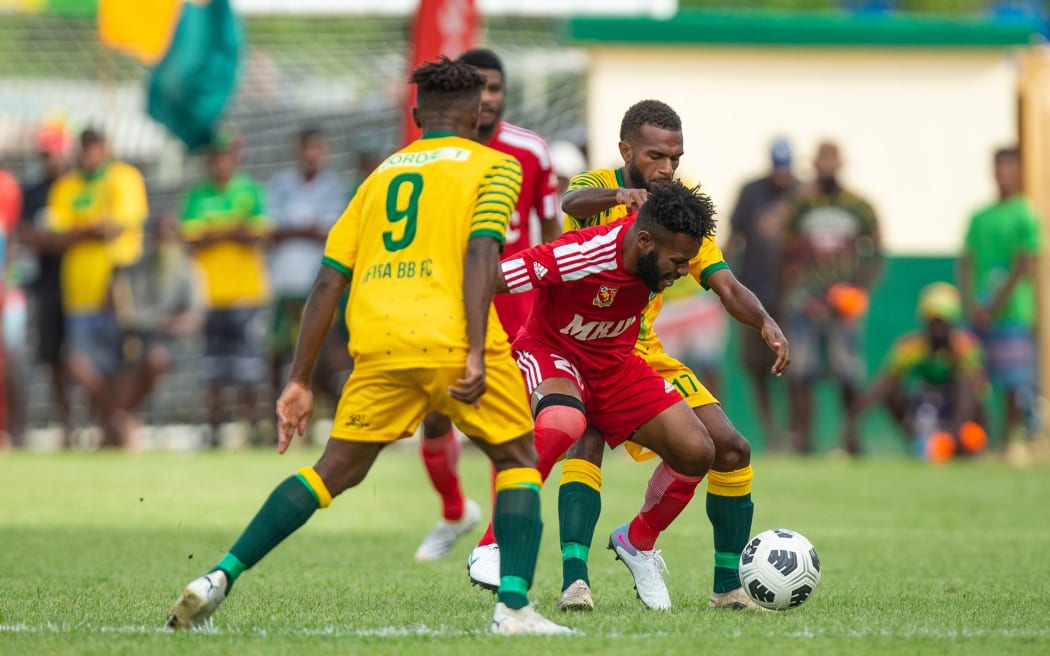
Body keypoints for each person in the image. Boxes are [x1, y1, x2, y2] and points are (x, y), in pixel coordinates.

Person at [166, 57, 572, 635]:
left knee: (333, 469)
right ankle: (513, 609)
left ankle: (219, 575)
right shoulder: (496, 166)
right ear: (478, 112)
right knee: (518, 460)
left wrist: (299, 379)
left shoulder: (378, 176)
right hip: (452, 340)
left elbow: (329, 277)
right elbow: (484, 251)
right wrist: (479, 352)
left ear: (415, 114)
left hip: (379, 345)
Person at [469, 100, 790, 613]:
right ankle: (566, 574)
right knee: (576, 427)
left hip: (632, 350)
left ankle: (703, 574)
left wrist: (766, 322)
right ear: (627, 151)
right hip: (565, 344)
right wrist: (622, 194)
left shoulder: (679, 218)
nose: (666, 169)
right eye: (656, 157)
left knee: (724, 448)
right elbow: (569, 206)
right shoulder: (599, 196)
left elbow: (725, 284)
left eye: (675, 159)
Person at [487, 180, 724, 610]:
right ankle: (494, 542)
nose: (683, 271)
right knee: (566, 424)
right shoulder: (583, 253)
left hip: (614, 365)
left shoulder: (657, 252)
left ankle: (638, 541)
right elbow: (493, 278)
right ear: (645, 240)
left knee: (697, 449)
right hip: (552, 352)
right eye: (677, 261)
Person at [413, 48, 562, 563]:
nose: (489, 98)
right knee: (434, 417)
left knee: (511, 426)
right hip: (447, 299)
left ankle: (495, 544)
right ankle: (455, 511)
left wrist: (552, 297)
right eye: (480, 88)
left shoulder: (531, 152)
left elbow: (550, 232)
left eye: (496, 88)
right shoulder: (436, 153)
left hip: (514, 303)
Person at [43, 128, 149, 448]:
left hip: (118, 290)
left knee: (121, 364)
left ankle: (112, 428)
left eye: (95, 147)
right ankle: (113, 420)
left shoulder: (124, 177)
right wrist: (93, 227)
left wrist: (84, 229)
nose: (90, 154)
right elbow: (56, 235)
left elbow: (121, 226)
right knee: (82, 363)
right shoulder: (67, 185)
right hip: (79, 293)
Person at [782, 140, 882, 456]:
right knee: (801, 373)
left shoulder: (859, 205)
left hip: (843, 304)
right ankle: (802, 440)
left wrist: (859, 290)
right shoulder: (802, 205)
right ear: (813, 165)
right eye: (820, 161)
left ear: (841, 164)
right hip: (806, 302)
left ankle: (852, 438)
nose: (826, 167)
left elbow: (876, 251)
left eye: (832, 160)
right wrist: (794, 291)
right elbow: (786, 250)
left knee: (847, 372)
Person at [179, 127, 271, 448]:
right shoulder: (198, 196)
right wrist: (233, 230)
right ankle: (215, 431)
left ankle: (252, 429)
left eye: (225, 157)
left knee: (248, 367)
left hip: (246, 294)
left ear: (234, 158)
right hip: (209, 295)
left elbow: (258, 235)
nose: (220, 164)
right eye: (215, 158)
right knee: (212, 368)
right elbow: (191, 239)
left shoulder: (251, 190)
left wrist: (214, 233)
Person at [958, 146, 1043, 464]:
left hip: (1011, 314)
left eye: (1008, 167)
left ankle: (1010, 442)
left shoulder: (1024, 213)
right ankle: (980, 441)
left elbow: (1024, 264)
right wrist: (971, 304)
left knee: (1011, 379)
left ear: (1019, 171)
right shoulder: (980, 216)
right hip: (978, 315)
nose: (1002, 173)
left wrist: (994, 306)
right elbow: (966, 261)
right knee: (976, 378)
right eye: (998, 167)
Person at [843, 282, 988, 460]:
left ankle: (957, 442)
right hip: (927, 408)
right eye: (933, 321)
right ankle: (918, 440)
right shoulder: (912, 348)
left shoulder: (965, 348)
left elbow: (976, 394)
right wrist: (854, 420)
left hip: (961, 417)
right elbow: (884, 383)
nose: (938, 328)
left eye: (943, 321)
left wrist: (953, 433)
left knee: (965, 383)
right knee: (891, 389)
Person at [266, 127, 350, 422]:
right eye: (307, 148)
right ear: (298, 150)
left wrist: (293, 230)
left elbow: (330, 233)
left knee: (323, 356)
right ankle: (276, 417)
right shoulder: (280, 185)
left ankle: (335, 413)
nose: (311, 154)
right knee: (278, 355)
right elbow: (271, 229)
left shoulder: (334, 187)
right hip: (285, 283)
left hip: (319, 286)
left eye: (317, 148)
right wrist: (306, 230)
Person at [725, 138, 799, 451]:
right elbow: (734, 238)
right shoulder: (751, 191)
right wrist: (724, 282)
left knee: (794, 365)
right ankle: (772, 436)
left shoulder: (802, 194)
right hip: (753, 291)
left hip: (791, 295)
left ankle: (795, 433)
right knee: (756, 367)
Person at [109, 213, 205, 445]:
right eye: (159, 235)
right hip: (136, 339)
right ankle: (120, 421)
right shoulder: (137, 269)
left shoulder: (189, 271)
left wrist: (162, 324)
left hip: (175, 345)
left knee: (155, 359)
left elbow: (195, 318)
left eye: (169, 235)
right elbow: (127, 315)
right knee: (122, 365)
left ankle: (121, 419)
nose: (164, 241)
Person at [16, 119, 74, 446]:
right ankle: (66, 423)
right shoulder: (33, 191)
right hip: (47, 284)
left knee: (83, 358)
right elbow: (26, 234)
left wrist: (58, 239)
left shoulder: (77, 186)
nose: (49, 159)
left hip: (80, 283)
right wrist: (56, 240)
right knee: (53, 357)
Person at [0, 163, 22, 448]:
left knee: (9, 362)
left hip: (6, 296)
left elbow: (14, 244)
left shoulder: (6, 187)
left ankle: (12, 430)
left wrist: (8, 282)